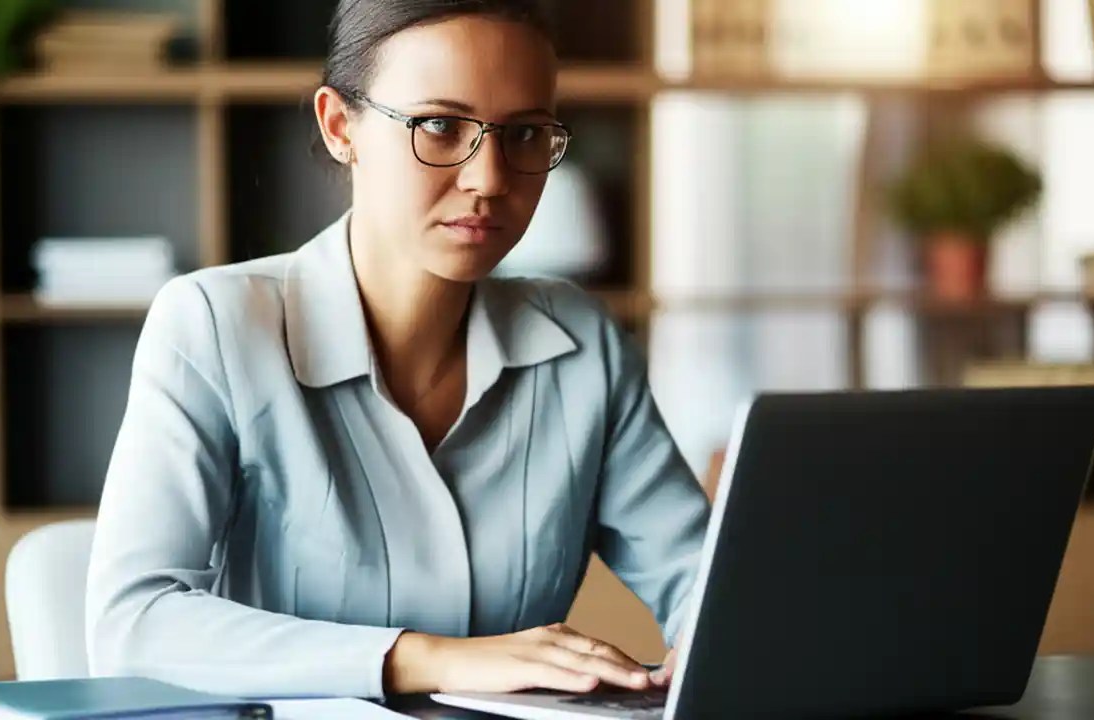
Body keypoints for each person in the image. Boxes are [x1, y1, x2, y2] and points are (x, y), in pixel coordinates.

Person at [85, 0, 709, 701]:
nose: (490, 179)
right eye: (439, 127)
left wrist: (711, 651)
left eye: (526, 133)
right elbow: (133, 625)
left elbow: (701, 585)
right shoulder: (213, 325)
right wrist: (436, 660)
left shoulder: (582, 343)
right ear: (339, 126)